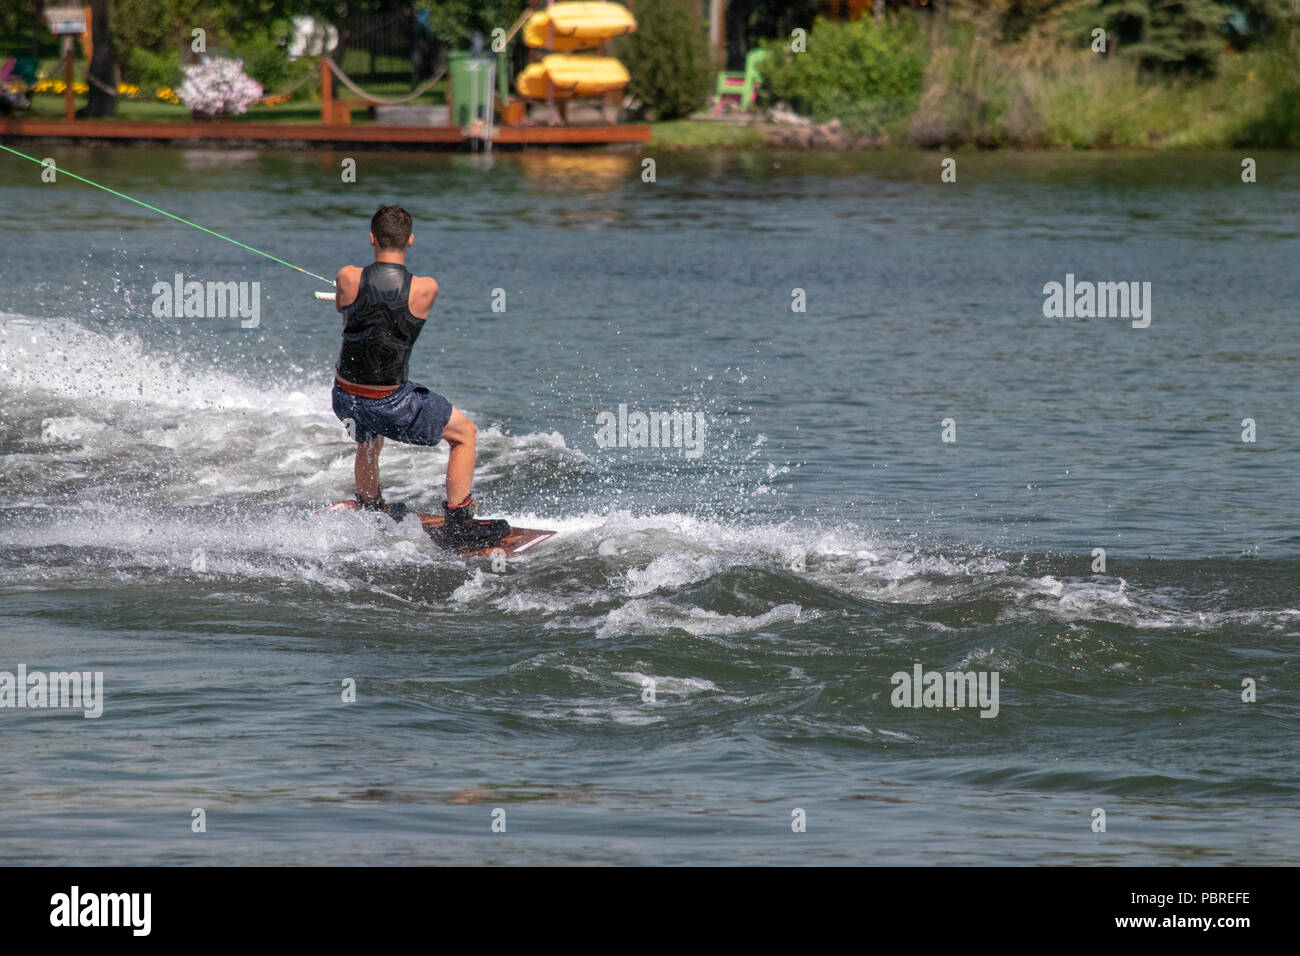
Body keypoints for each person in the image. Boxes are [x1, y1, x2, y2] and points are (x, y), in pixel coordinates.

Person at [331, 204, 509, 550]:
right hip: (389, 402)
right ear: (410, 240)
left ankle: (370, 506)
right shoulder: (426, 288)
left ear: (372, 238)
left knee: (366, 437)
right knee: (465, 434)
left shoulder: (348, 276)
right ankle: (459, 523)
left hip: (345, 397)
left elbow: (342, 306)